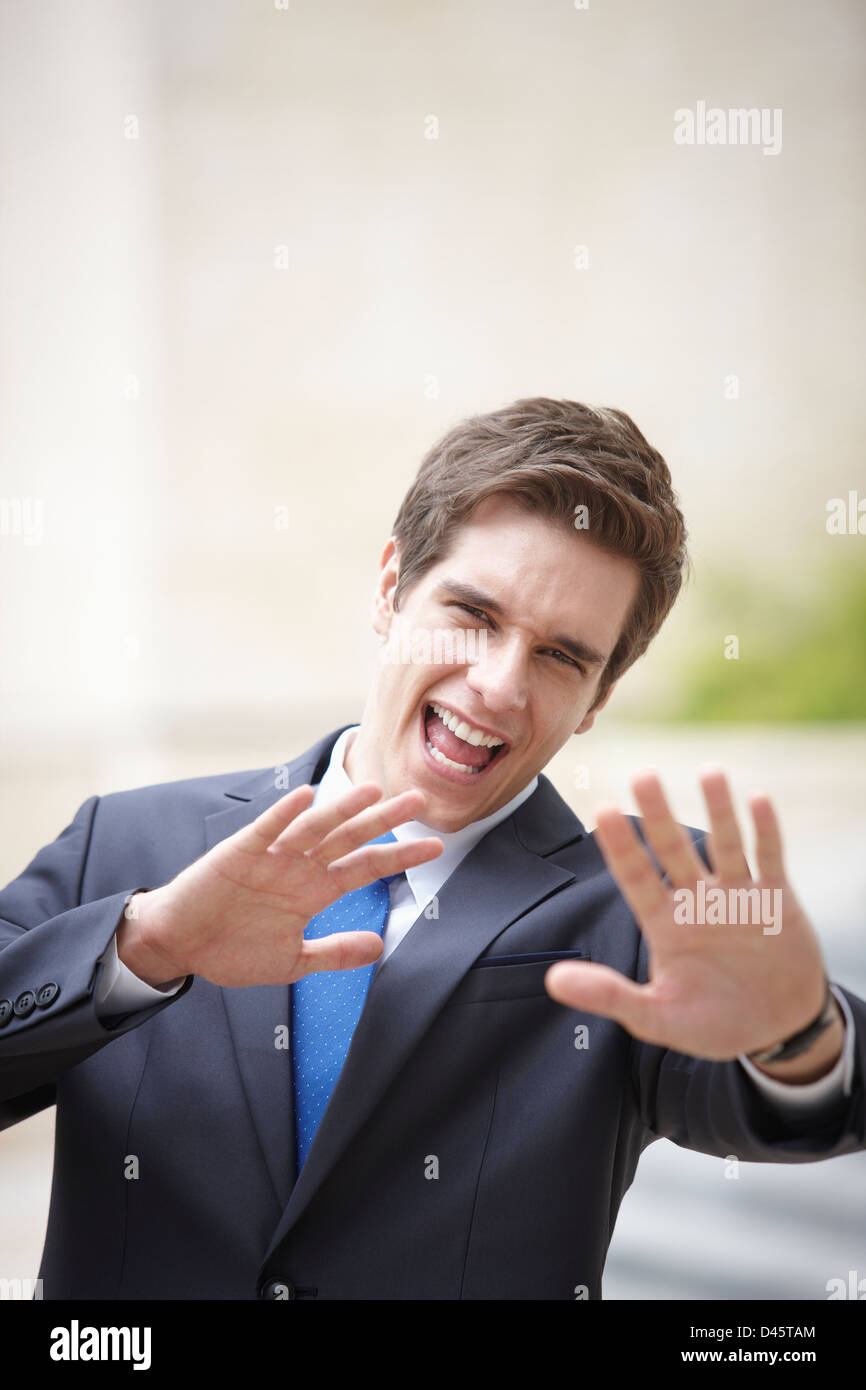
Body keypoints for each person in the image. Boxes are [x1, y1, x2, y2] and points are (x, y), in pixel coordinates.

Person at [0, 398, 862, 1301]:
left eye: (562, 657)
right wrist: (145, 949)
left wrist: (799, 1038)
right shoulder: (128, 842)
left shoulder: (642, 903)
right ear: (390, 589)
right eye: (473, 615)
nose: (497, 686)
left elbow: (819, 1099)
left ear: (600, 696)